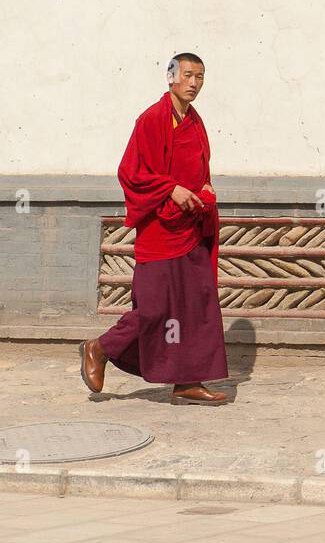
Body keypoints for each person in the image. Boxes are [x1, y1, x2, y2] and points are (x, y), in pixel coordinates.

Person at [79, 53, 230, 405]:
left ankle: (188, 381)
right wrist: (170, 189)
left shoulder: (194, 121)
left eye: (200, 77)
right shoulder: (152, 119)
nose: (194, 83)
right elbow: (130, 173)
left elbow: (199, 169)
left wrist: (204, 190)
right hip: (160, 230)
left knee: (196, 305)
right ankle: (99, 348)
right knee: (154, 309)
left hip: (191, 226)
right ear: (171, 77)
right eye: (188, 75)